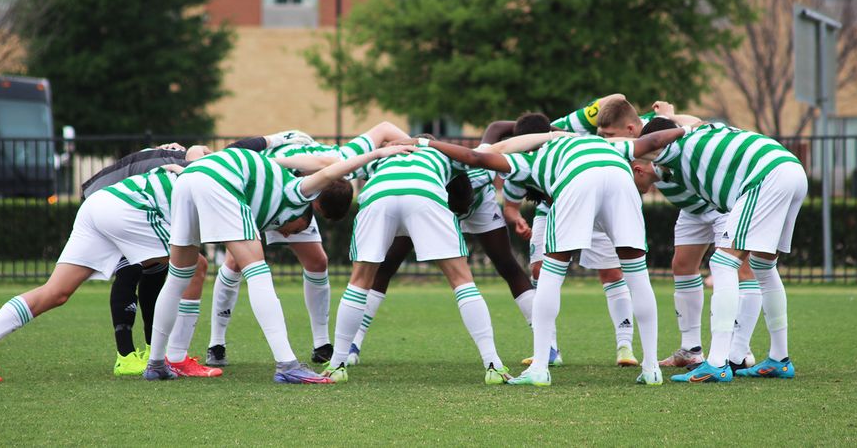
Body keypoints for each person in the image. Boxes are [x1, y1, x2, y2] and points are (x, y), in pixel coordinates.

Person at [410, 128, 689, 386]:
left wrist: (425, 143)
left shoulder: (531, 162)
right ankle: (651, 368)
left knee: (551, 274)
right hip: (620, 177)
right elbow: (653, 141)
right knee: (637, 276)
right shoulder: (604, 144)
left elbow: (475, 157)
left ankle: (540, 368)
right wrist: (687, 129)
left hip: (578, 177)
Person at [142, 144, 414, 384]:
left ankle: (156, 364)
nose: (286, 234)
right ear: (305, 212)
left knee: (178, 277)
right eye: (296, 229)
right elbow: (331, 173)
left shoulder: (266, 194)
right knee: (258, 272)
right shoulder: (295, 191)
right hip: (218, 180)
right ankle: (287, 365)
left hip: (188, 180)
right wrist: (377, 154)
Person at [321, 134, 561, 384]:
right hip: (424, 193)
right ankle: (493, 365)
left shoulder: (383, 156)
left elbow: (333, 166)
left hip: (378, 196)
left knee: (359, 282)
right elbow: (500, 147)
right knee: (462, 281)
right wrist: (551, 135)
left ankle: (337, 364)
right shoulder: (443, 153)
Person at [0, 164, 187, 382]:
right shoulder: (203, 174)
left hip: (99, 204)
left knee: (56, 292)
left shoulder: (193, 170)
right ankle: (174, 359)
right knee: (191, 264)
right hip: (123, 209)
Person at [204, 122, 411, 366]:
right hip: (257, 193)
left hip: (291, 196)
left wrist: (418, 148)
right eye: (318, 210)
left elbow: (385, 128)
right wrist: (267, 162)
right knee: (235, 262)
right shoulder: (313, 167)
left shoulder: (347, 161)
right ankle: (216, 344)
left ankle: (321, 344)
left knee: (317, 262)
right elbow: (320, 162)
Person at [636, 120, 807, 383]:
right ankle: (779, 359)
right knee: (763, 266)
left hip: (767, 176)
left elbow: (651, 144)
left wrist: (592, 140)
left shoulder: (675, 146)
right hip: (791, 169)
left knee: (723, 263)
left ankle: (717, 363)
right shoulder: (704, 133)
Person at [80, 142, 212, 377]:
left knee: (156, 268)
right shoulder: (185, 168)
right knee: (130, 269)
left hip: (129, 204)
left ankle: (155, 352)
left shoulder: (180, 164)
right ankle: (125, 357)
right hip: (106, 202)